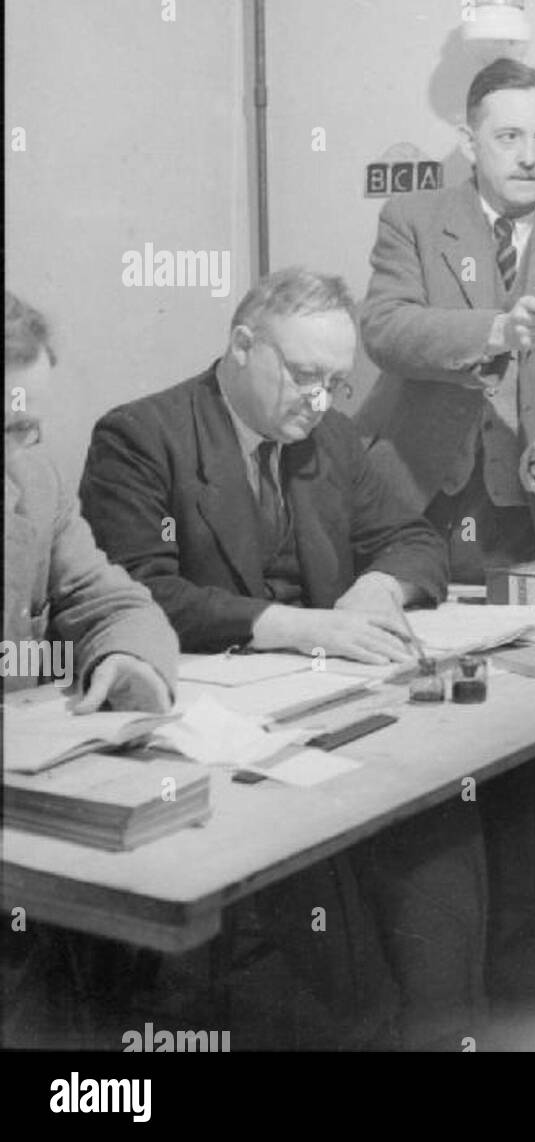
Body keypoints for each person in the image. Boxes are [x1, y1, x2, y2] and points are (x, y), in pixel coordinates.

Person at [79, 268, 484, 1050]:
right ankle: (365, 1027)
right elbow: (139, 593)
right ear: (241, 347)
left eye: (337, 381)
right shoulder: (141, 436)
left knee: (443, 825)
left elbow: (414, 538)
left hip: (324, 711)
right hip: (206, 740)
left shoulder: (326, 436)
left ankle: (444, 1034)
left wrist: (376, 587)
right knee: (328, 862)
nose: (322, 400)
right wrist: (302, 627)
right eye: (305, 376)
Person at [356, 57, 535, 581]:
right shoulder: (412, 220)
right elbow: (383, 328)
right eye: (509, 137)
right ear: (469, 142)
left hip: (528, 511)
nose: (531, 157)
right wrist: (497, 331)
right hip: (415, 497)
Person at [4, 290, 177, 710]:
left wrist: (127, 657)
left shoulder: (35, 482)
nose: (12, 454)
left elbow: (114, 605)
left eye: (21, 428)